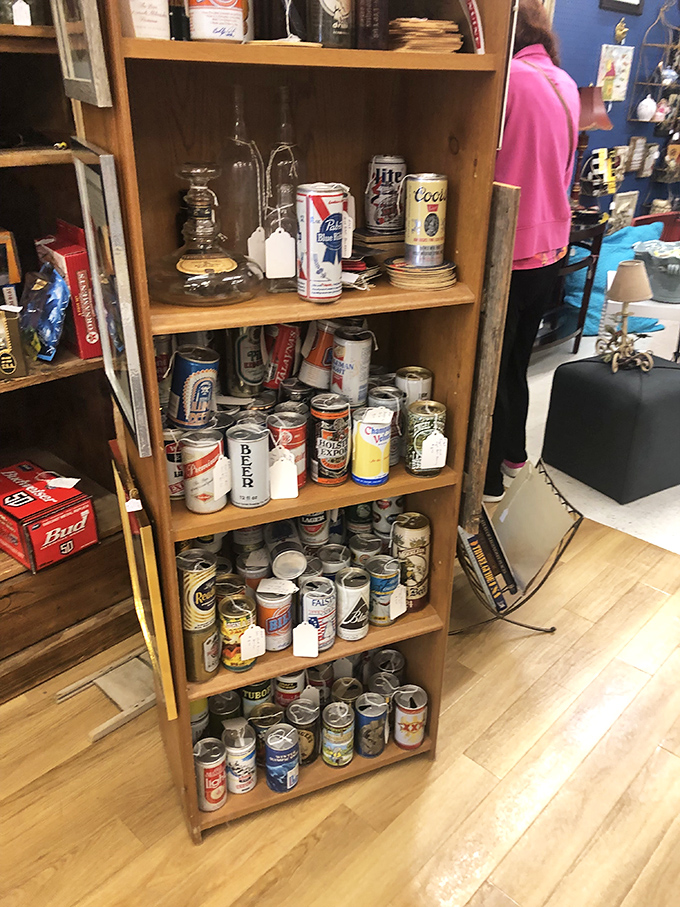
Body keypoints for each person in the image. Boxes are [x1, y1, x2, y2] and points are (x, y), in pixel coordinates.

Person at [483, 0, 580, 501]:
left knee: (489, 366)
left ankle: (488, 479)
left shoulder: (508, 82)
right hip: (552, 246)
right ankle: (514, 456)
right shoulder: (563, 82)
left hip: (508, 248)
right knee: (517, 359)